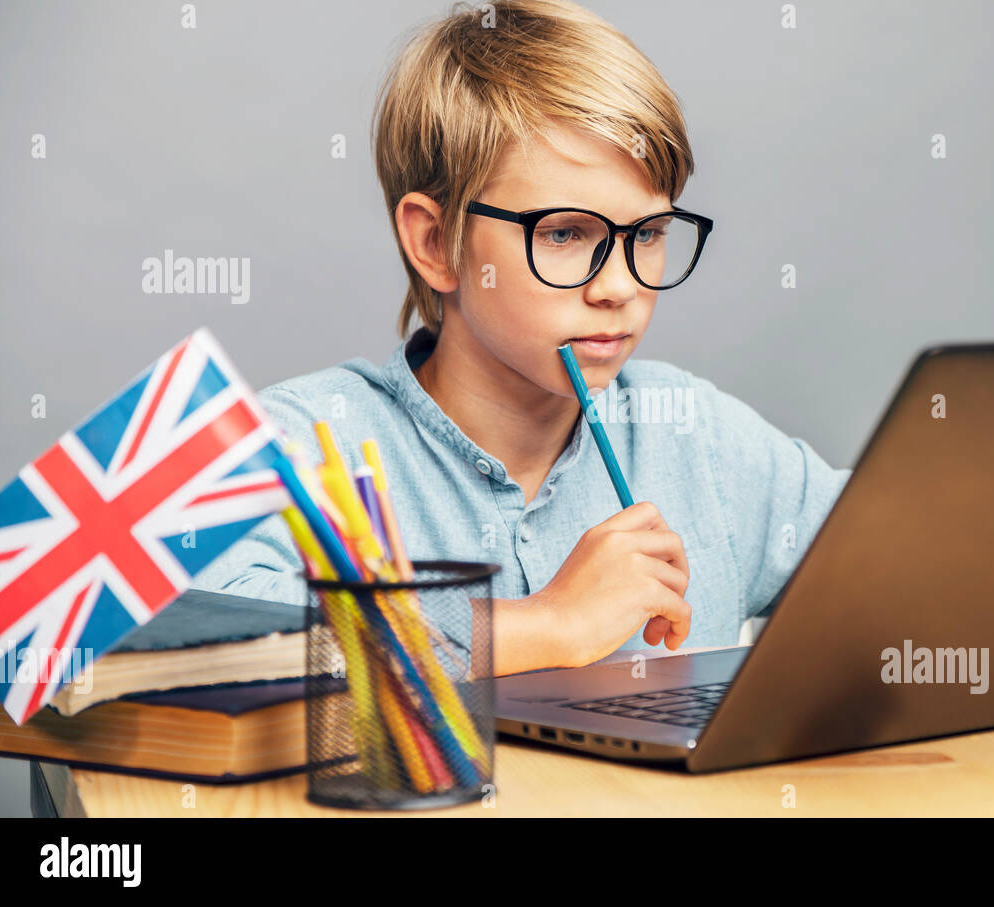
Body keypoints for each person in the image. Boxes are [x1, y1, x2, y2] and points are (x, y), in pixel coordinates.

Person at [192, 0, 850, 675]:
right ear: (434, 242)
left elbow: (911, 560)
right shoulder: (303, 441)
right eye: (565, 234)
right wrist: (543, 625)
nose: (619, 285)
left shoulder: (699, 438)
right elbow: (200, 641)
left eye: (647, 234)